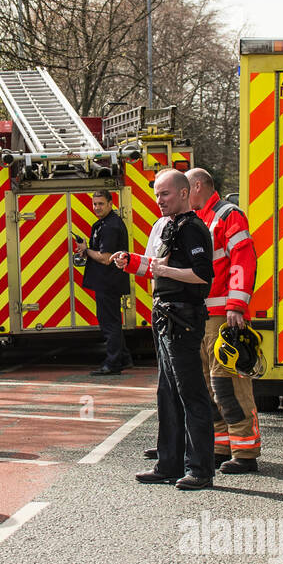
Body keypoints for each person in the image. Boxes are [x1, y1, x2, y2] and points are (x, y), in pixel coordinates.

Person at [112, 169, 216, 490]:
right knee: (167, 394)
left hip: (184, 318)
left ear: (184, 193)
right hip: (165, 315)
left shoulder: (194, 229)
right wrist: (130, 261)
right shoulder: (168, 226)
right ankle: (169, 464)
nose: (159, 200)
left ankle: (200, 470)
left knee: (191, 394)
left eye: (165, 194)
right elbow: (156, 268)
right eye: (157, 194)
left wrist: (164, 269)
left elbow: (202, 275)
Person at [187, 168, 262, 474]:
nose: (182, 194)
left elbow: (243, 259)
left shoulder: (228, 215)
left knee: (228, 384)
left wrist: (236, 304)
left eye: (185, 188)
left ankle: (245, 452)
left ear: (199, 185)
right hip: (204, 314)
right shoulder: (200, 219)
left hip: (221, 315)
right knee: (208, 384)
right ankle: (220, 446)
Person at [75, 190, 132, 375]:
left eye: (101, 204)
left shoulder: (110, 227)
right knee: (112, 321)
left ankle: (112, 364)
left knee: (110, 324)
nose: (97, 207)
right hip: (108, 282)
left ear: (110, 203)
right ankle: (123, 358)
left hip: (108, 283)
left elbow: (106, 258)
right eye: (94, 204)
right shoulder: (105, 223)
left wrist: (86, 249)